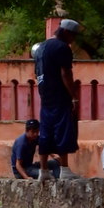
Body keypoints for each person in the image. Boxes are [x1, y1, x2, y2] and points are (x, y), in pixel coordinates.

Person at [35, 18, 81, 180]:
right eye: (73, 36)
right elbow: (65, 74)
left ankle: (44, 170)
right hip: (59, 95)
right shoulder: (62, 48)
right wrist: (73, 97)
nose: (73, 40)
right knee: (63, 129)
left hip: (45, 95)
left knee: (46, 131)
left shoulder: (41, 48)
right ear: (67, 33)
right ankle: (65, 169)